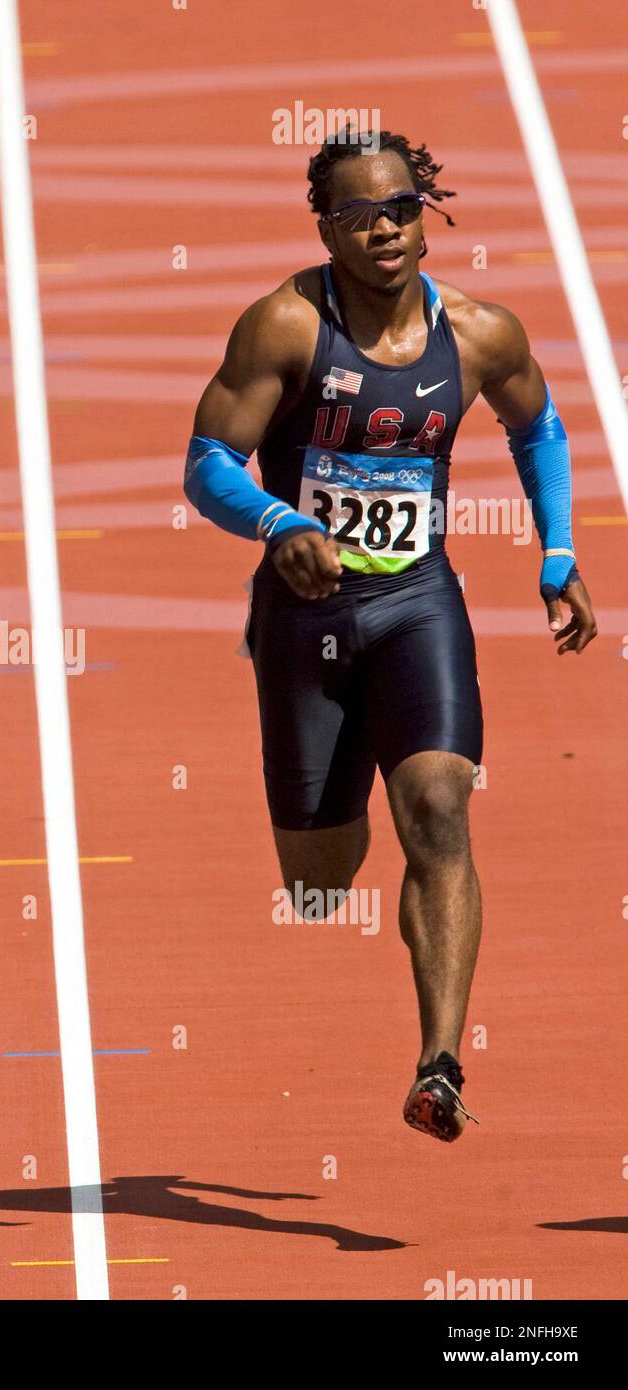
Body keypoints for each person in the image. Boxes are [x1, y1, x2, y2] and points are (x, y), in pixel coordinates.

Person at [183, 129, 597, 1142]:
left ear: (428, 214)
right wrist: (278, 522)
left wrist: (558, 553)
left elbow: (538, 425)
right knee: (319, 884)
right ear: (326, 226)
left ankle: (441, 1063)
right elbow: (207, 462)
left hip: (418, 601)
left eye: (403, 208)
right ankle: (350, 782)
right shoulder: (284, 327)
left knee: (440, 808)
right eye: (362, 214)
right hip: (305, 614)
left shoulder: (481, 332)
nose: (386, 229)